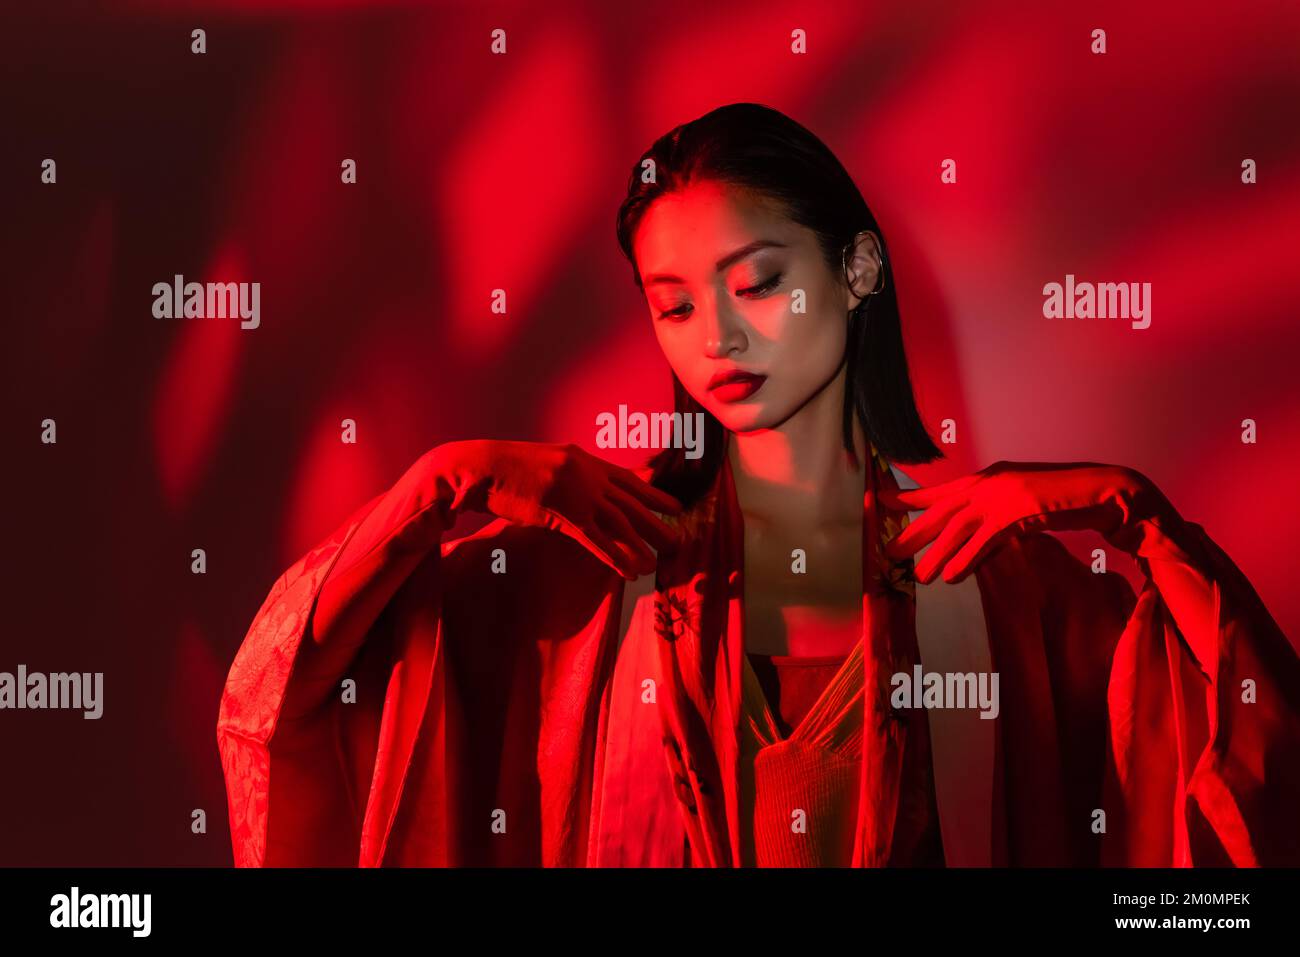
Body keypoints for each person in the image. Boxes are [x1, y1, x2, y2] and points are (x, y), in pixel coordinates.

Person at [217, 102, 1300, 868]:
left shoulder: (1017, 597)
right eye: (673, 303)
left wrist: (1131, 517)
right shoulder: (574, 591)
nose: (718, 336)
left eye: (759, 281)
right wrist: (436, 486)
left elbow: (1256, 777)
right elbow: (283, 712)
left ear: (858, 271)